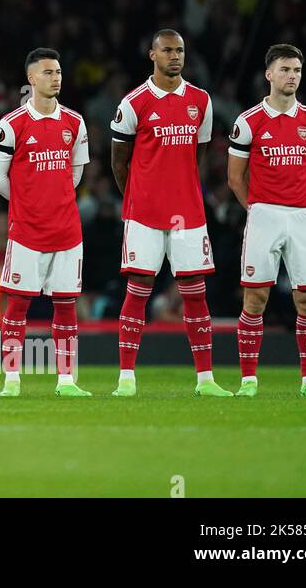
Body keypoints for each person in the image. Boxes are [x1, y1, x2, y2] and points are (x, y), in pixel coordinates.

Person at [109, 29, 230, 397]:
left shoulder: (201, 100)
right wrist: (141, 196)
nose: (174, 56)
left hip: (187, 213)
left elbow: (200, 154)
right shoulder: (134, 103)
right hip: (144, 213)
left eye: (179, 50)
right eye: (167, 50)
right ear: (152, 55)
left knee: (194, 292)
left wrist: (180, 188)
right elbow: (119, 163)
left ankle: (206, 379)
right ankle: (126, 378)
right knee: (139, 288)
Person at [228, 43, 306, 398]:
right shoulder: (248, 121)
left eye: (297, 71)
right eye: (286, 70)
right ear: (269, 74)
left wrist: (301, 203)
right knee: (254, 299)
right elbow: (235, 178)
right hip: (264, 216)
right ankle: (248, 381)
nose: (292, 76)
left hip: (303, 217)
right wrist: (257, 208)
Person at [0, 48, 92, 397]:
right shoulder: (12, 124)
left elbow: (76, 174)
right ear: (32, 78)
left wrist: (53, 199)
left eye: (59, 71)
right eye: (48, 72)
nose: (56, 77)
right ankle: (12, 380)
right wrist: (28, 202)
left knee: (66, 305)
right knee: (18, 305)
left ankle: (66, 380)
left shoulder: (75, 123)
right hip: (27, 232)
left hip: (67, 230)